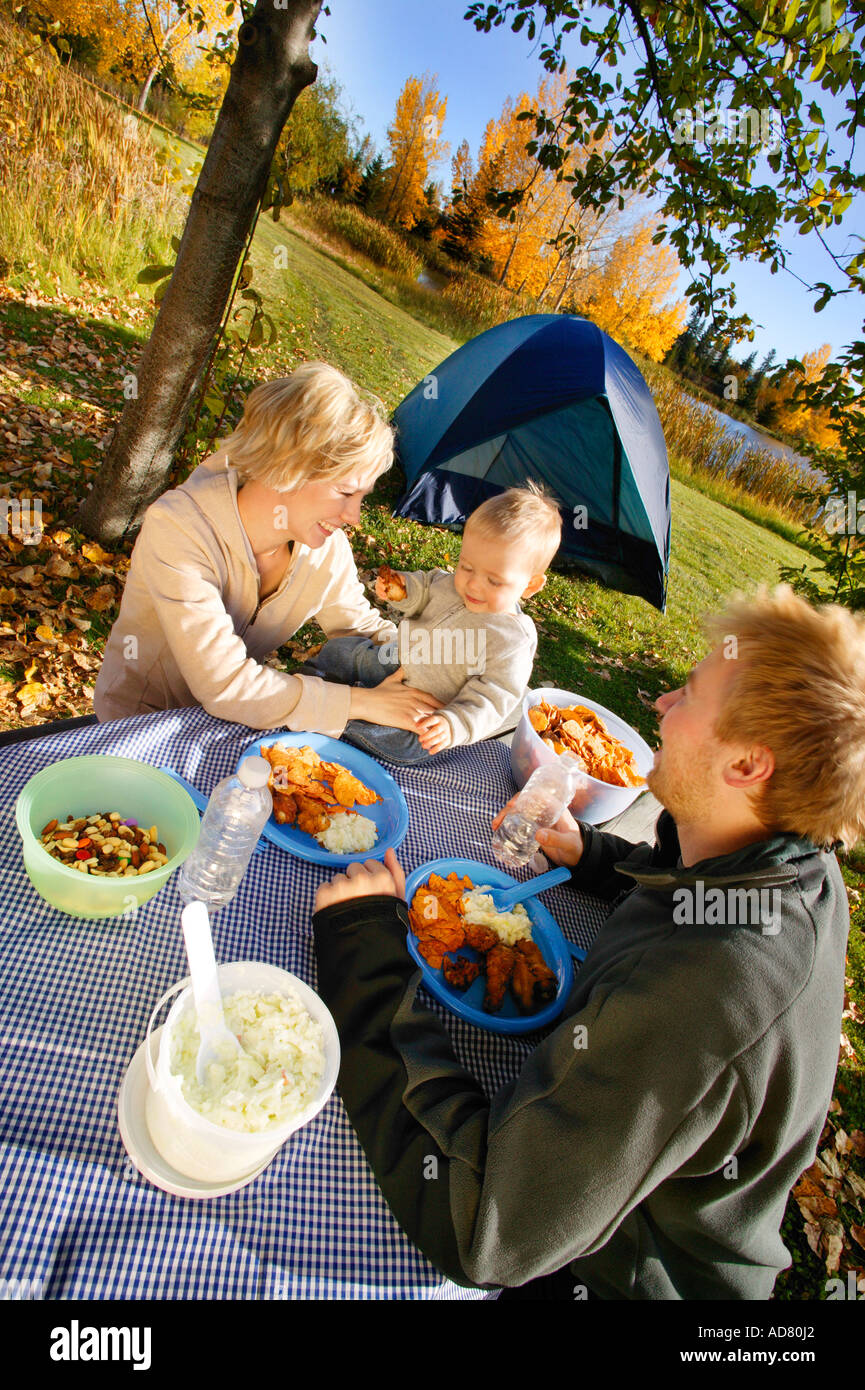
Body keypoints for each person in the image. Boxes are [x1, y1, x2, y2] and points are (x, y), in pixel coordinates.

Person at [310, 586, 865, 1298]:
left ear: (748, 766)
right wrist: (597, 859)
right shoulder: (781, 858)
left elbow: (484, 1228)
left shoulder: (711, 988)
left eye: (689, 694)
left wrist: (366, 954)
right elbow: (685, 898)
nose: (660, 703)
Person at [93, 363, 442, 735]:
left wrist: (431, 660)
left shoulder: (324, 549)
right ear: (287, 467)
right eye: (344, 492)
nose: (355, 517)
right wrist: (362, 703)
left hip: (224, 727)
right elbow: (225, 683)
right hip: (134, 726)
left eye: (361, 497)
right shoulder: (178, 529)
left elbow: (359, 628)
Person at [300, 484, 562, 764]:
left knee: (408, 744)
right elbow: (423, 589)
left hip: (427, 705)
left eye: (494, 580)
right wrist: (403, 589)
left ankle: (344, 722)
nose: (472, 584)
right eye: (466, 566)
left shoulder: (511, 640)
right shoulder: (450, 585)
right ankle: (312, 677)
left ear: (531, 585)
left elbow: (494, 697)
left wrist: (453, 724)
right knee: (347, 650)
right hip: (395, 660)